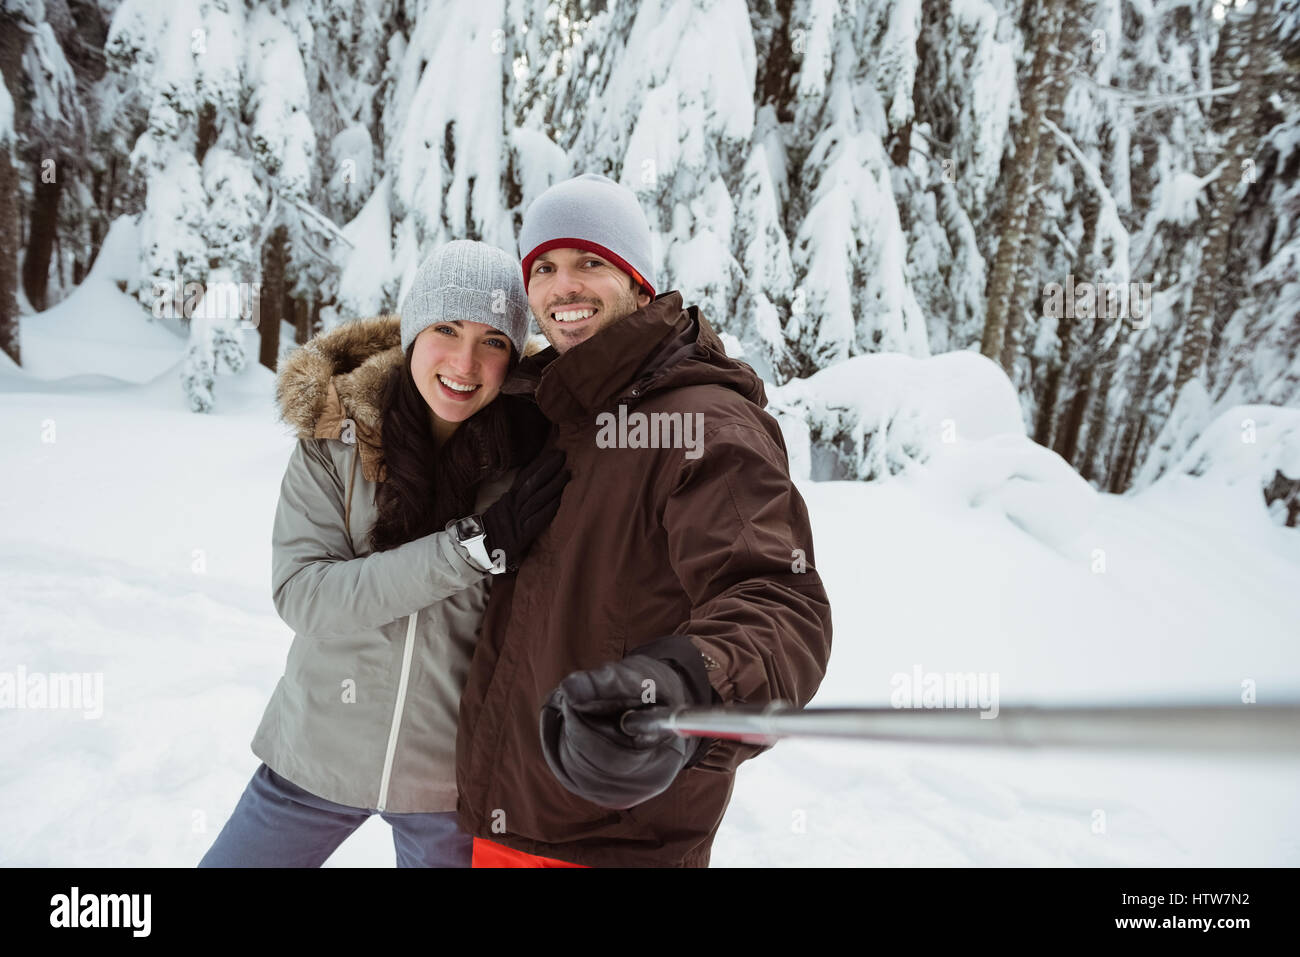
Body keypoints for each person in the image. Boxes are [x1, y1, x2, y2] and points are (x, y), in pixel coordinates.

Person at [455, 174, 833, 867]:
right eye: (543, 267)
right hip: (506, 820)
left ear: (638, 282)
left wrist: (687, 685)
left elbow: (781, 605)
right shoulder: (560, 410)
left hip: (615, 837)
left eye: (590, 262)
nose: (563, 287)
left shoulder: (703, 423)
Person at [199, 240, 568, 867]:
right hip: (312, 759)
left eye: (494, 341)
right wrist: (468, 551)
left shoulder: (533, 462)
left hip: (446, 786)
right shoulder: (335, 439)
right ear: (412, 332)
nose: (465, 361)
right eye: (446, 329)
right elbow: (305, 596)